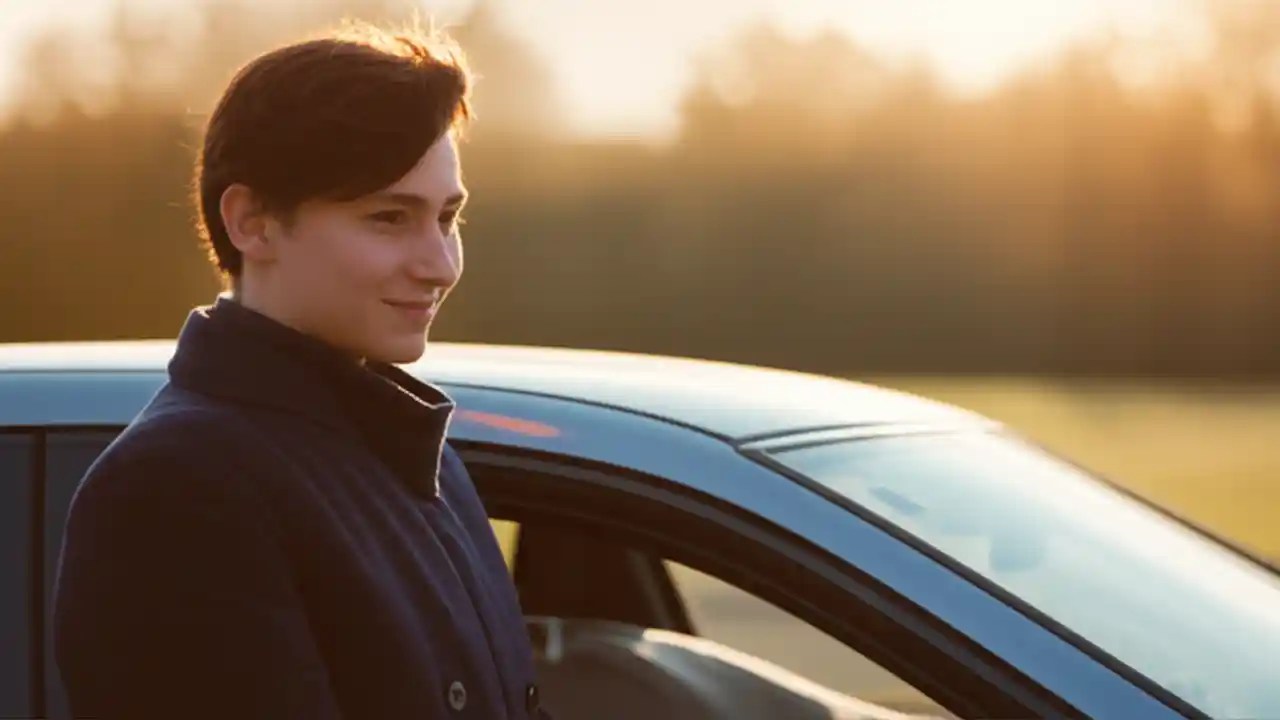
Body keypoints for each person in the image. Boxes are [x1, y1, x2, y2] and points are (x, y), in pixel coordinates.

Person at [51, 20, 548, 719]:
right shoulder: (177, 488)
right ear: (251, 222)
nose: (440, 264)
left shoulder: (416, 459)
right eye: (389, 218)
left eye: (448, 218)